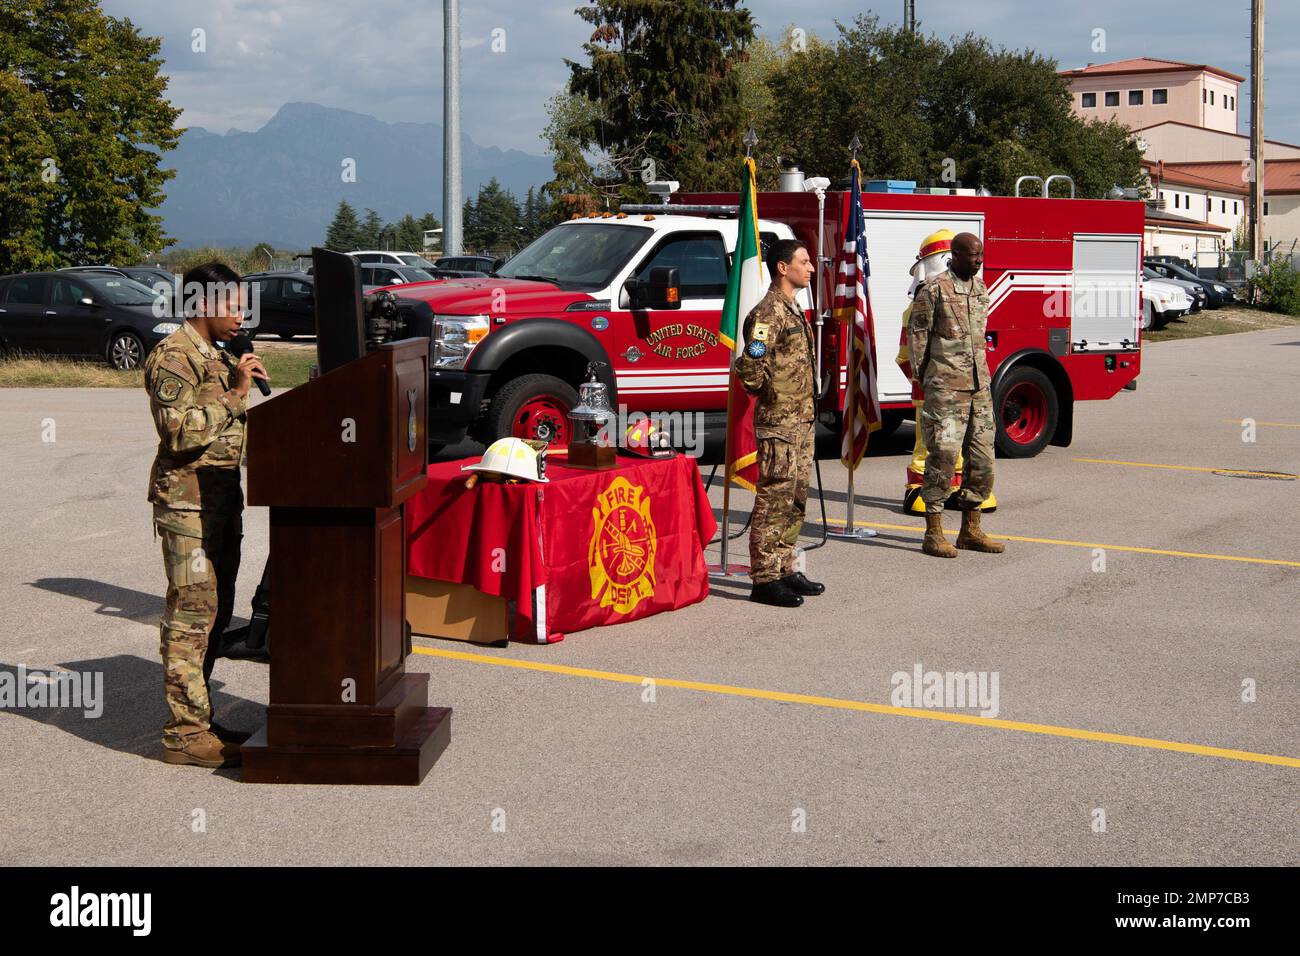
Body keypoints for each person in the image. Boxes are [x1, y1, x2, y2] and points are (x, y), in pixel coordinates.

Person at [144, 261, 267, 767]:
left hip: (220, 502)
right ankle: (185, 736)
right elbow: (179, 434)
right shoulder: (173, 356)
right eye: (233, 305)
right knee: (191, 619)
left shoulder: (218, 354)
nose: (241, 315)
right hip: (187, 506)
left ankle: (201, 721)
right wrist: (238, 395)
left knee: (213, 616)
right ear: (202, 304)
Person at [733, 239, 824, 607]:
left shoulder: (793, 309)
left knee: (796, 497)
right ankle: (765, 578)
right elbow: (751, 370)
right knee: (774, 497)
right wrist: (774, 394)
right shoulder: (767, 313)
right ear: (783, 268)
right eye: (804, 262)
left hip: (801, 421)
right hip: (780, 423)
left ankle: (785, 567)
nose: (811, 268)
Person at [906, 232, 1005, 558]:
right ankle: (934, 532)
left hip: (979, 387)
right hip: (946, 390)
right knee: (943, 460)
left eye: (981, 255)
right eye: (973, 256)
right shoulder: (934, 289)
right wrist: (927, 379)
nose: (979, 261)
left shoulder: (980, 289)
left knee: (982, 461)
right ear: (956, 255)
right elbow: (918, 336)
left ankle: (970, 529)